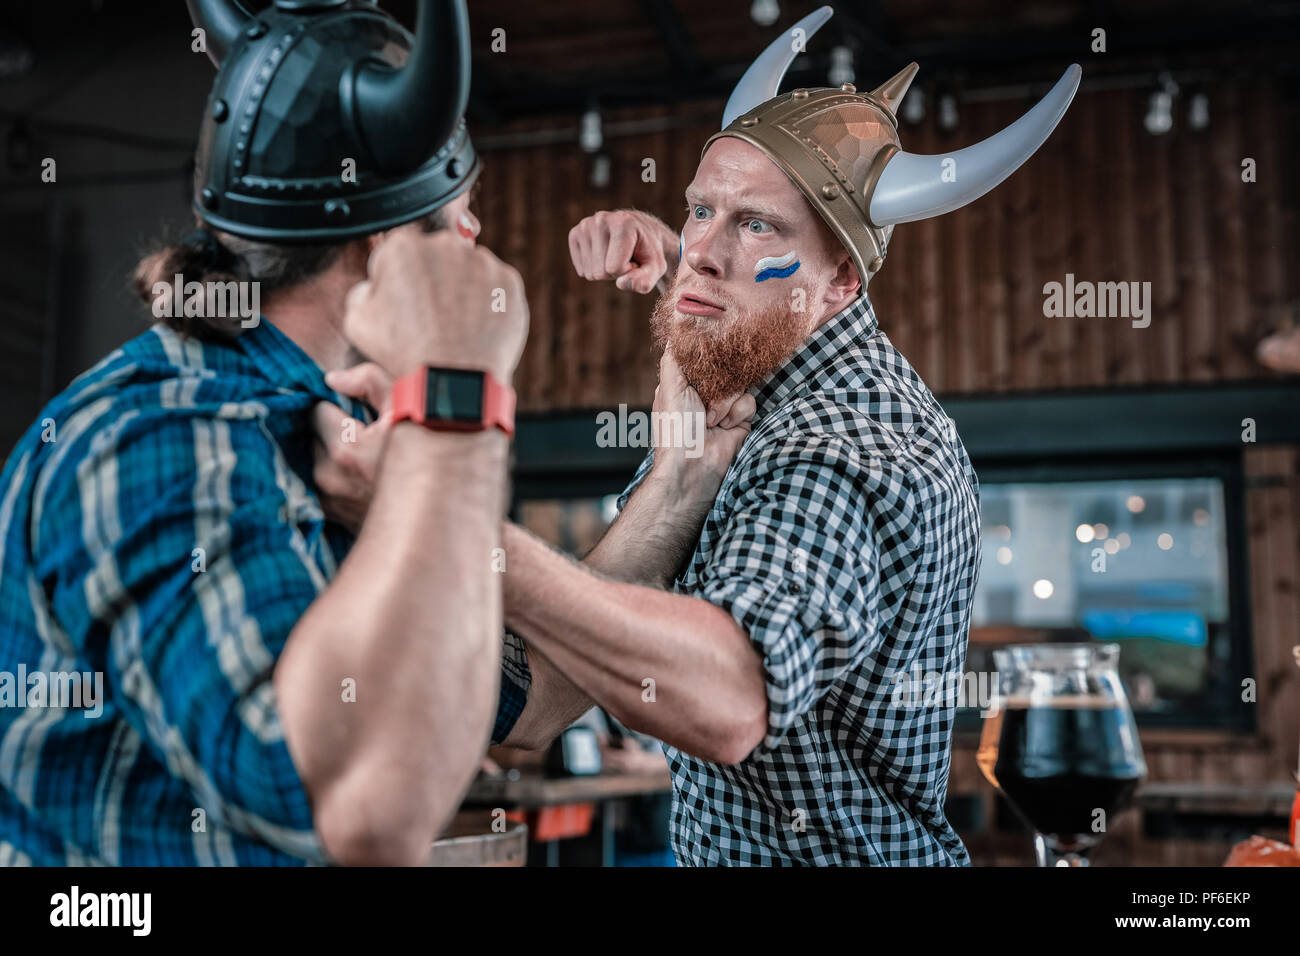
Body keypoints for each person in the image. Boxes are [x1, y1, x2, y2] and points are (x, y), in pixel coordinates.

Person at [314, 8, 1082, 864]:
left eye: (757, 225)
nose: (701, 252)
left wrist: (439, 503)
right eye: (700, 211)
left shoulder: (841, 445)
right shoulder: (734, 396)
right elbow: (536, 709)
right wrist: (675, 482)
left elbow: (727, 700)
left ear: (839, 288)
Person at [0, 0, 533, 866]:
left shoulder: (334, 432)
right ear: (389, 245)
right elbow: (358, 808)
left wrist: (676, 475)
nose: (475, 238)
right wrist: (458, 396)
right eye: (460, 211)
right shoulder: (162, 439)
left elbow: (522, 696)